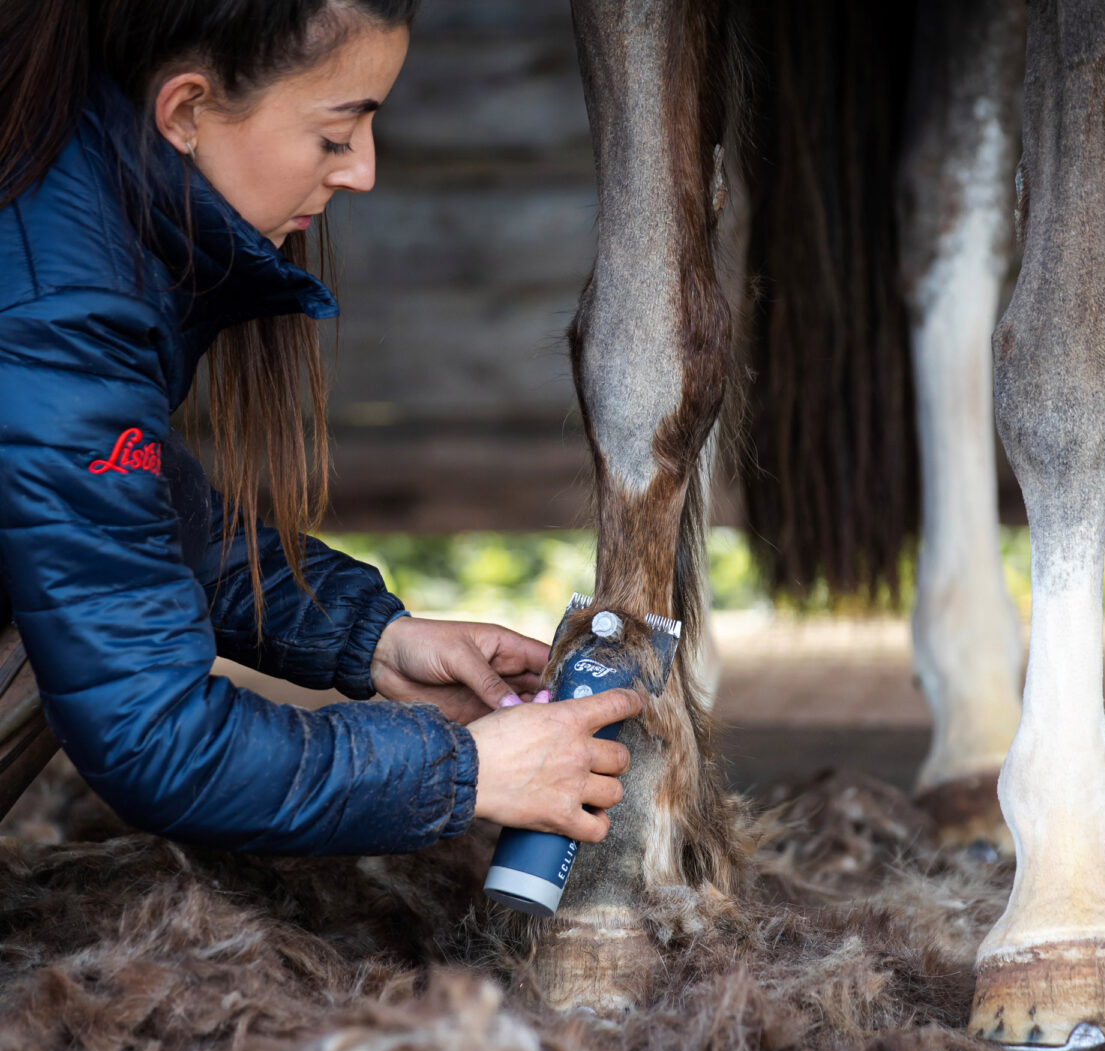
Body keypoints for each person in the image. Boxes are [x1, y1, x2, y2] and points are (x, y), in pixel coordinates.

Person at [0, 0, 642, 854]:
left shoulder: (64, 218)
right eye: (337, 135)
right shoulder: (59, 313)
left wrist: (372, 638)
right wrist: (468, 770)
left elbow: (128, 526)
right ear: (186, 111)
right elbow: (157, 743)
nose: (364, 173)